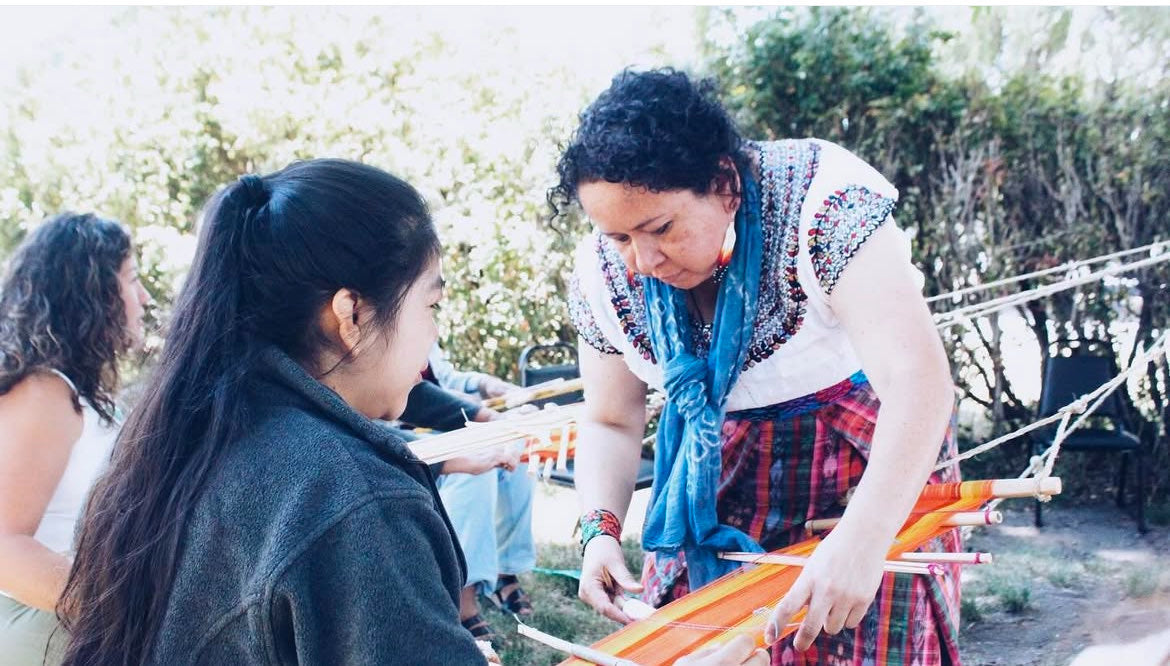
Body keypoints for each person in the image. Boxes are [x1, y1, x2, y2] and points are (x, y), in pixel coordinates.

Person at [55, 158, 767, 666]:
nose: (432, 337)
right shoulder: (348, 500)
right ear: (351, 314)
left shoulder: (182, 444)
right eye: (431, 304)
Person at [551, 68, 962, 665]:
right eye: (617, 237)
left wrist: (863, 540)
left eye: (660, 228)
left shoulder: (822, 203)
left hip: (864, 471)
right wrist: (600, 530)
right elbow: (612, 420)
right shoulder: (604, 275)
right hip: (714, 476)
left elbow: (918, 380)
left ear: (725, 184)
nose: (640, 260)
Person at [0, 213, 150, 665]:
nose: (143, 299)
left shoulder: (79, 393)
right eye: (132, 281)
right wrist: (124, 609)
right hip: (44, 625)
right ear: (93, 296)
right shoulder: (44, 392)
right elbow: (4, 543)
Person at [425, 343, 537, 642]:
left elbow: (446, 378)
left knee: (515, 444)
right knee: (477, 467)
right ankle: (463, 596)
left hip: (449, 427)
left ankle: (505, 571)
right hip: (412, 443)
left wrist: (490, 388)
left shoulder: (419, 324)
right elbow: (411, 397)